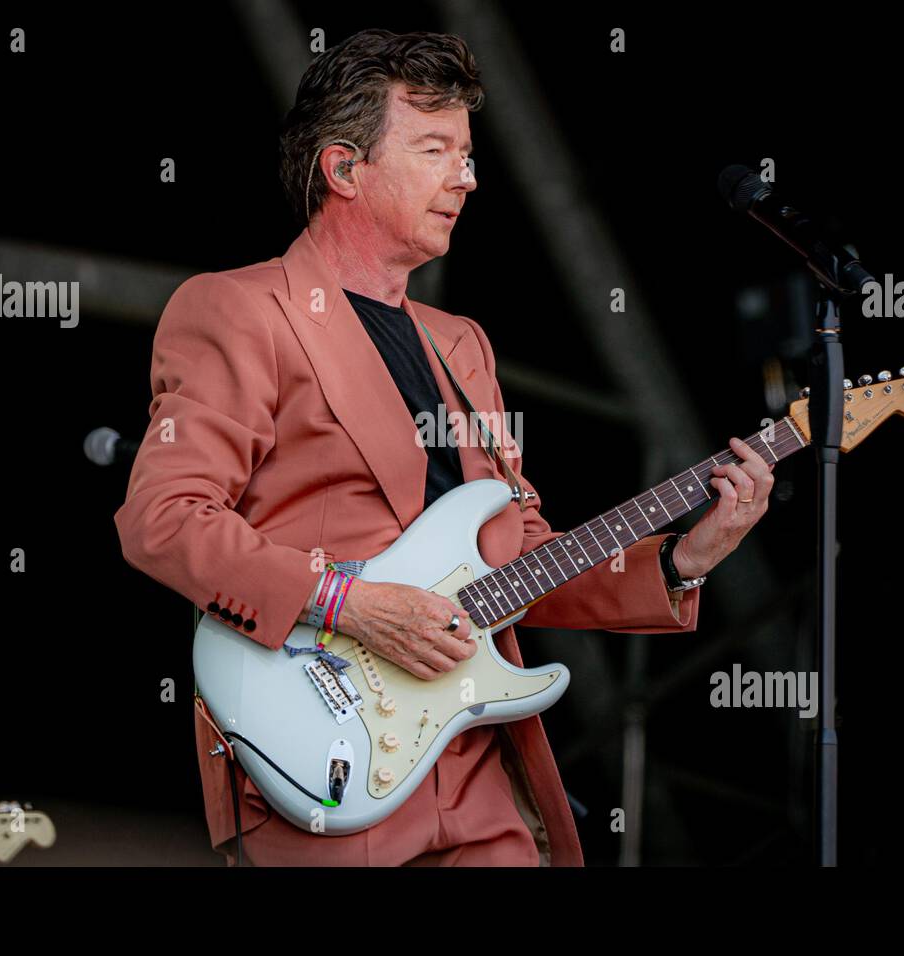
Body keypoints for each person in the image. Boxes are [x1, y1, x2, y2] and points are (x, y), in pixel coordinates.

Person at [114, 29, 772, 866]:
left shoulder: (462, 344)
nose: (467, 177)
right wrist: (349, 605)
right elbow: (162, 520)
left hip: (477, 765)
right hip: (330, 754)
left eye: (467, 153)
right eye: (435, 150)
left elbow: (519, 561)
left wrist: (682, 560)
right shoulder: (239, 310)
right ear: (344, 168)